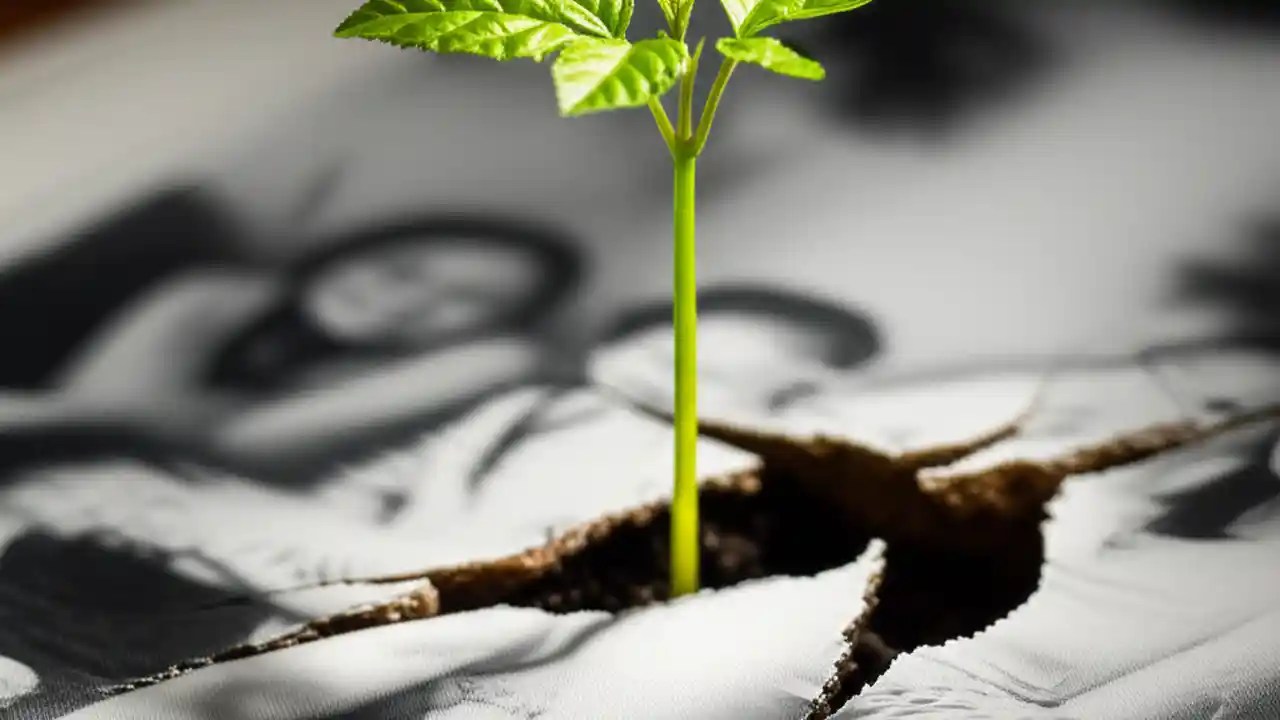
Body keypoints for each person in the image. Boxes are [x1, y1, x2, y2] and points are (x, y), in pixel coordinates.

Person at [0, 216, 583, 498]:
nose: (408, 300)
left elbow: (240, 446)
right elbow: (90, 416)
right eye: (401, 268)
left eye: (470, 302)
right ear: (351, 249)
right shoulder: (217, 295)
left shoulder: (494, 361)